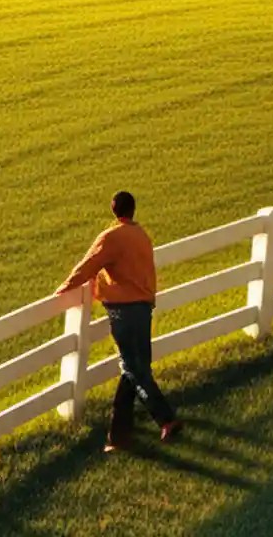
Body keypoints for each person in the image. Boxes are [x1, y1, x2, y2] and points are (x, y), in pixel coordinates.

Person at [55, 191, 182, 452]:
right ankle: (119, 437)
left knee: (132, 369)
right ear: (133, 210)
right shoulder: (142, 236)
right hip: (144, 308)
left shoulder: (111, 237)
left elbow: (88, 265)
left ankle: (166, 418)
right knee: (136, 369)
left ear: (114, 210)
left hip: (122, 312)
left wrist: (64, 288)